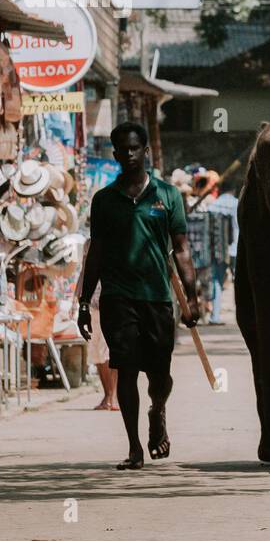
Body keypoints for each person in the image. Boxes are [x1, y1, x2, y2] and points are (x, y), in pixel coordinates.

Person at [78, 121, 199, 470]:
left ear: (146, 151)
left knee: (160, 374)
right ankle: (134, 447)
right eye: (122, 149)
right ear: (114, 154)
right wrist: (85, 302)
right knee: (126, 369)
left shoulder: (167, 196)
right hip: (118, 297)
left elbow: (182, 250)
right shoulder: (103, 201)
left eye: (135, 148)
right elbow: (95, 253)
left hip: (158, 298)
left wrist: (191, 298)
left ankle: (157, 409)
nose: (129, 154)